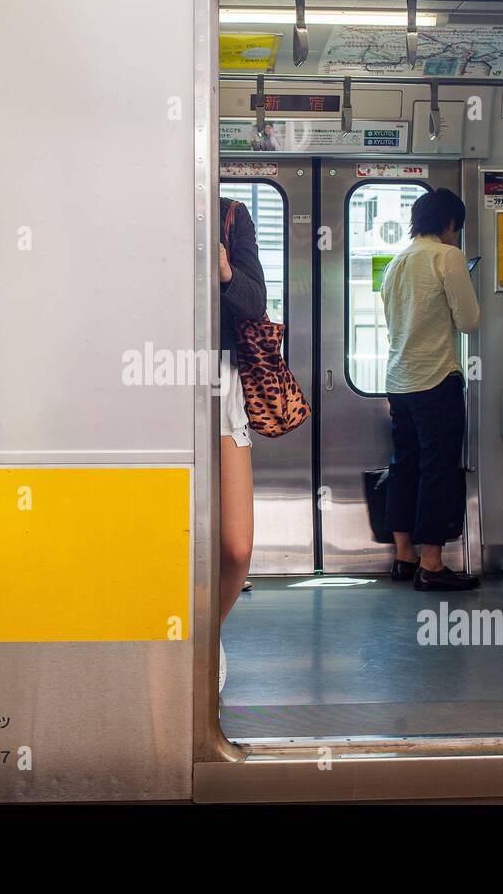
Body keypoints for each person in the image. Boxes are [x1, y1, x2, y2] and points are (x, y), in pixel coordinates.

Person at [380, 188, 480, 590]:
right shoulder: (447, 256)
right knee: (438, 470)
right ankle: (433, 566)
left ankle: (405, 557)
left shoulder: (396, 261)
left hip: (398, 381)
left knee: (404, 464)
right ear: (450, 223)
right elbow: (470, 320)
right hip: (436, 378)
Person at [217, 196, 267, 692]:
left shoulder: (230, 215)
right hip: (148, 375)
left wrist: (225, 272)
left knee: (235, 546)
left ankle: (208, 633)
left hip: (217, 379)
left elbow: (257, 304)